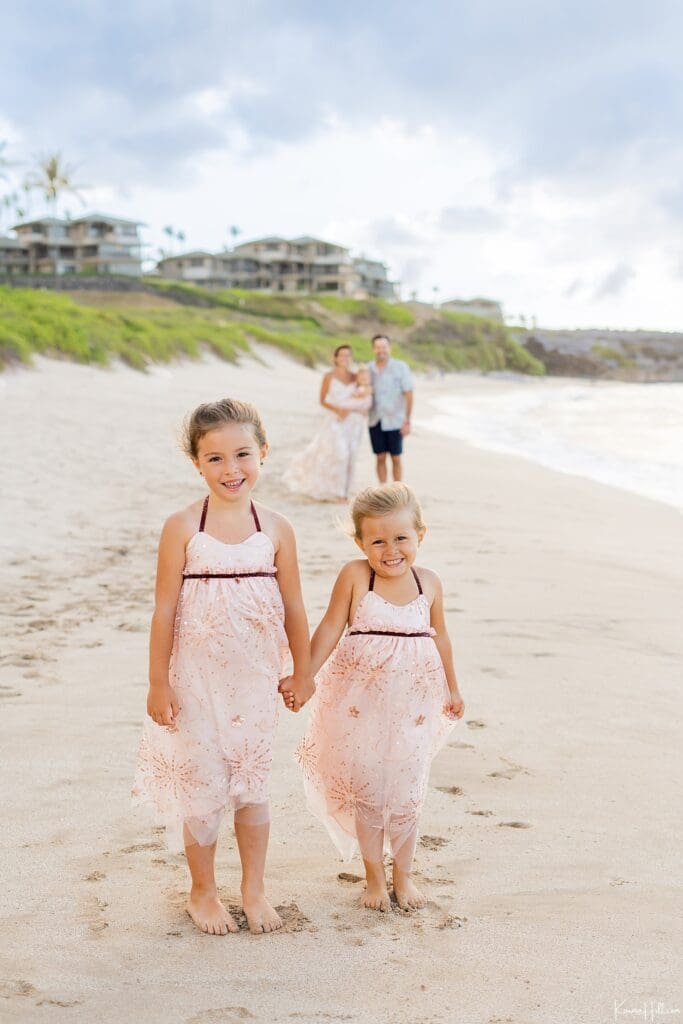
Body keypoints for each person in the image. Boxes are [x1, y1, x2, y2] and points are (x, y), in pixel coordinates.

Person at [132, 398, 314, 936]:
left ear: (263, 453)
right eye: (215, 458)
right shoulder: (183, 526)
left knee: (252, 786)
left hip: (256, 681)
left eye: (242, 455)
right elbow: (164, 608)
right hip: (197, 683)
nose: (231, 469)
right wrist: (157, 681)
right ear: (196, 462)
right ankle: (202, 891)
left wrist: (303, 672)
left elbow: (296, 606)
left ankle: (253, 888)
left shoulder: (277, 528)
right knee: (204, 786)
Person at [289, 483, 465, 913]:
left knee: (406, 790)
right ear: (360, 542)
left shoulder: (430, 584)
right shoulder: (355, 576)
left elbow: (440, 637)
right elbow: (330, 627)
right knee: (368, 788)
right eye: (378, 541)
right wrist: (305, 675)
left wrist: (452, 686)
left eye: (402, 538)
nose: (391, 550)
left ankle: (403, 877)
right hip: (359, 704)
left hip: (414, 706)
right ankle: (373, 879)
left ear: (420, 535)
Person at [286, 345, 372, 502]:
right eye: (341, 355)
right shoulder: (329, 376)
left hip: (354, 424)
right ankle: (336, 491)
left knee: (351, 456)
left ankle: (343, 492)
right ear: (336, 358)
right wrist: (338, 409)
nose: (345, 359)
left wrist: (366, 394)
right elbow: (322, 400)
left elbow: (365, 392)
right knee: (340, 454)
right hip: (336, 421)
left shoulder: (355, 377)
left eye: (348, 356)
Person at [367, 335, 414, 483]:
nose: (381, 350)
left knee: (396, 457)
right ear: (374, 349)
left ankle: (397, 491)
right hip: (375, 419)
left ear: (390, 348)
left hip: (396, 420)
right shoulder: (368, 368)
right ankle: (383, 490)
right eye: (378, 347)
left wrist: (407, 421)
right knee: (380, 456)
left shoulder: (401, 367)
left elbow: (409, 393)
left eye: (384, 347)